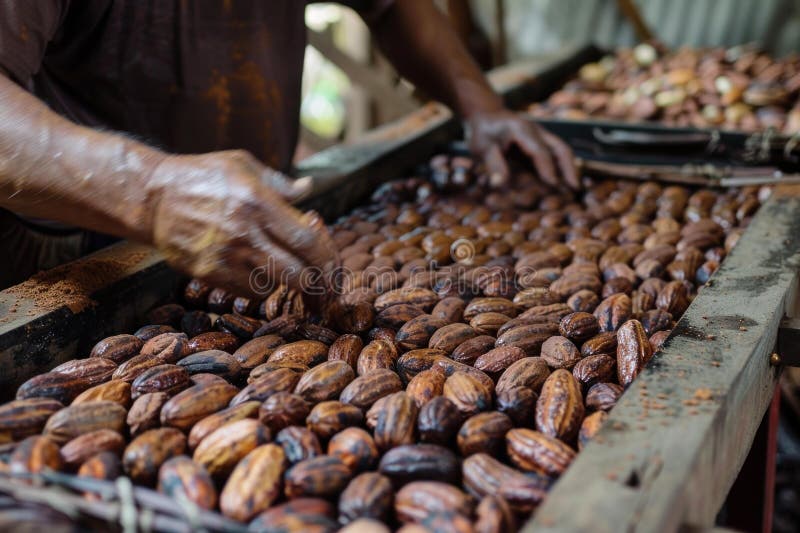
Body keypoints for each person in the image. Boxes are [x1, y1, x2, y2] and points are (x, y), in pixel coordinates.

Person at [0, 1, 577, 294]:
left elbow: (394, 5)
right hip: (68, 243)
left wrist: (482, 107)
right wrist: (150, 195)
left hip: (255, 222)